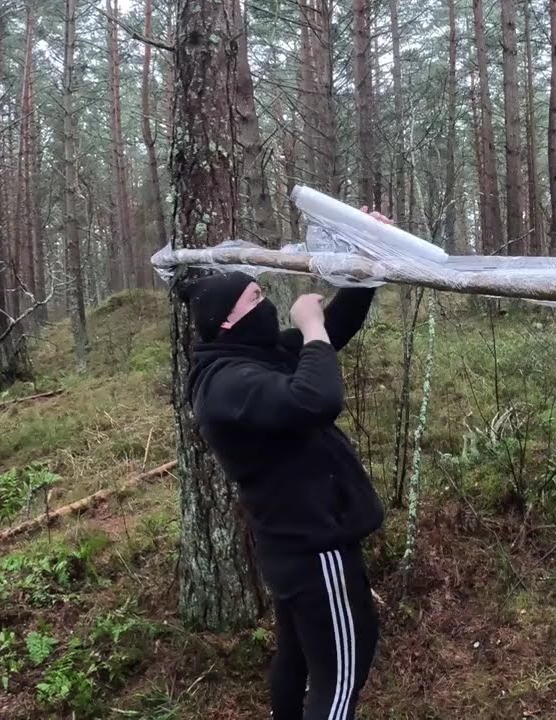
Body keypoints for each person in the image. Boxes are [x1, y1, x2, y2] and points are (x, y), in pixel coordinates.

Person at [179, 212, 390, 720]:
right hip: (313, 547)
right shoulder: (229, 384)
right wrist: (310, 327)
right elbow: (318, 397)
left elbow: (333, 332)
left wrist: (363, 263)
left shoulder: (251, 356)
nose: (267, 304)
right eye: (255, 298)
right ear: (227, 320)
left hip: (292, 543)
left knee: (297, 659)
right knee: (341, 675)